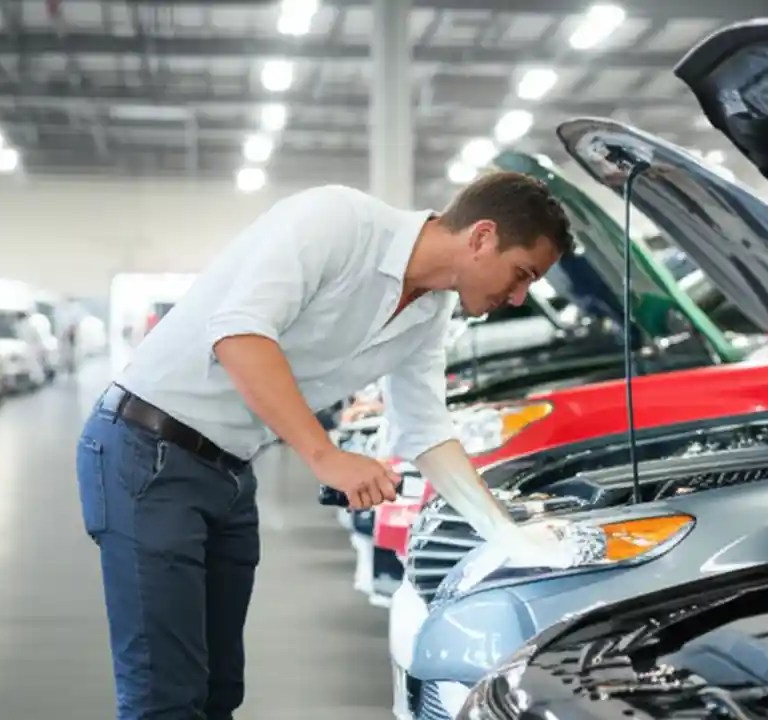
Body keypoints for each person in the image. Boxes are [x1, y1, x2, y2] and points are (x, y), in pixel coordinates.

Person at [74, 172, 574, 719]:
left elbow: (425, 428)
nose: (520, 295)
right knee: (164, 698)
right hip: (146, 451)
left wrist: (507, 534)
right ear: (481, 237)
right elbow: (240, 335)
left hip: (229, 471)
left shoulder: (431, 311)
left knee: (217, 693)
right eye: (522, 273)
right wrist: (326, 456)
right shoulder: (336, 223)